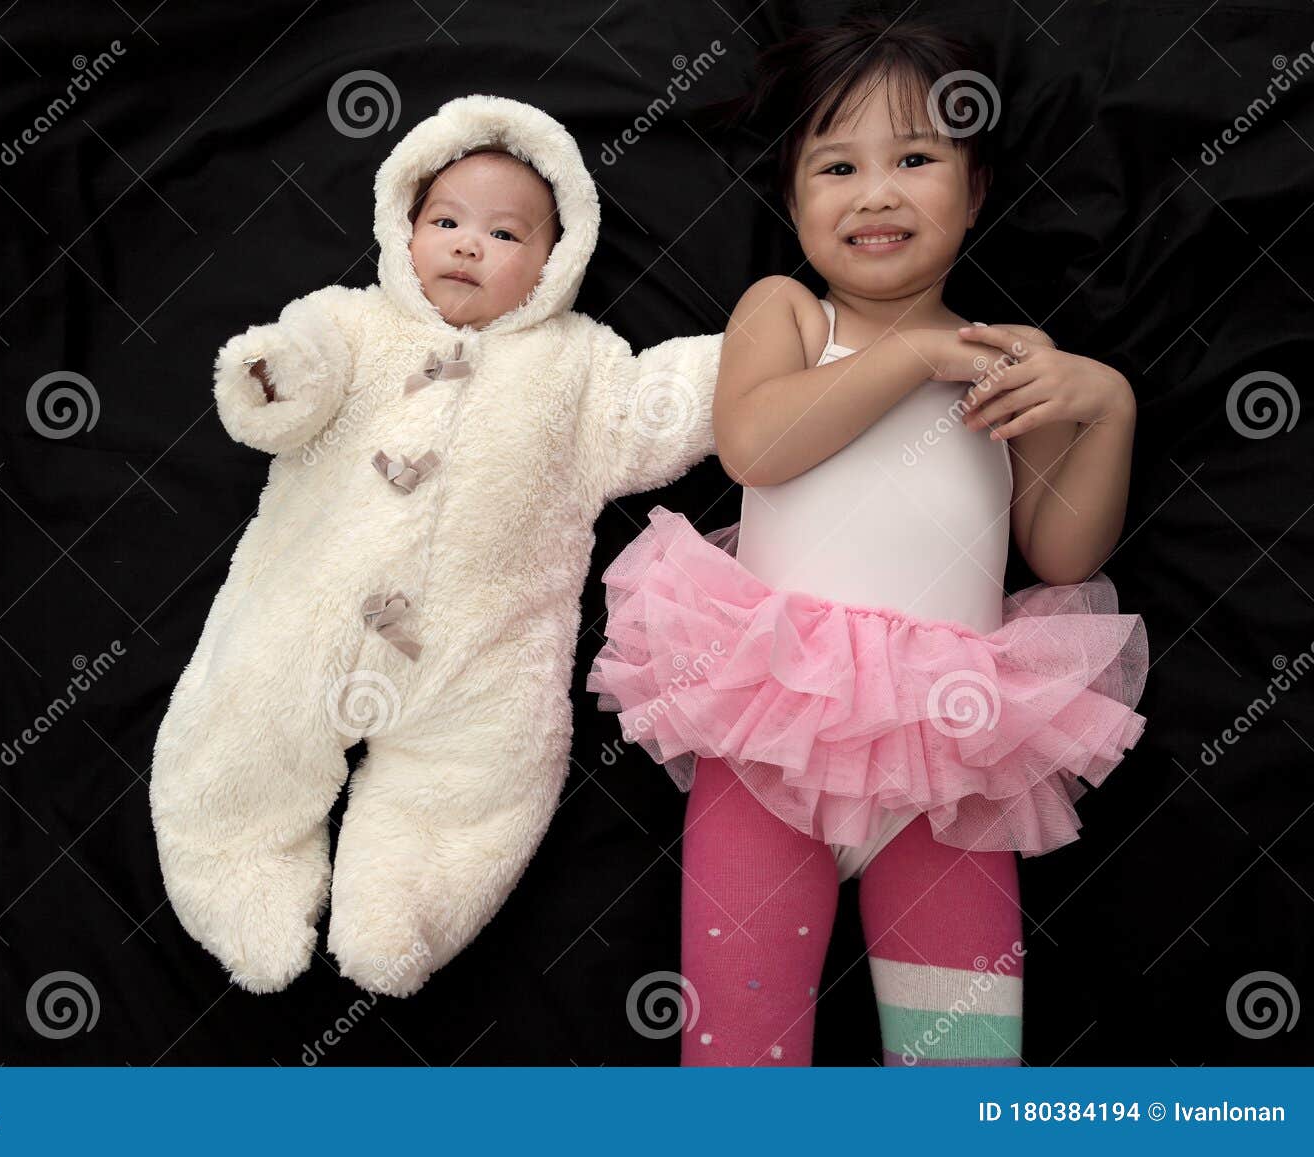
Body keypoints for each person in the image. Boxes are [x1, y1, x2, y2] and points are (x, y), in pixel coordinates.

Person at [588, 18, 1148, 1065]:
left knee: (965, 1062)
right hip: (771, 719)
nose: (876, 191)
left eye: (916, 159)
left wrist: (1105, 404)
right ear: (795, 199)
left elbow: (1062, 555)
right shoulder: (790, 313)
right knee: (737, 1047)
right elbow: (755, 442)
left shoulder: (1005, 360)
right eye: (836, 165)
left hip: (952, 737)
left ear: (974, 191)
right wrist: (912, 358)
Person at [151, 95, 724, 998]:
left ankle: (401, 914)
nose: (466, 244)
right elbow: (295, 381)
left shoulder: (580, 363)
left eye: (504, 234)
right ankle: (238, 881)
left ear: (553, 262)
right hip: (302, 621)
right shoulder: (351, 322)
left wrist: (760, 359)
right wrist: (274, 376)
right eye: (446, 221)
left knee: (483, 783)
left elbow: (661, 405)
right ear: (403, 226)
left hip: (480, 654)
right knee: (240, 731)